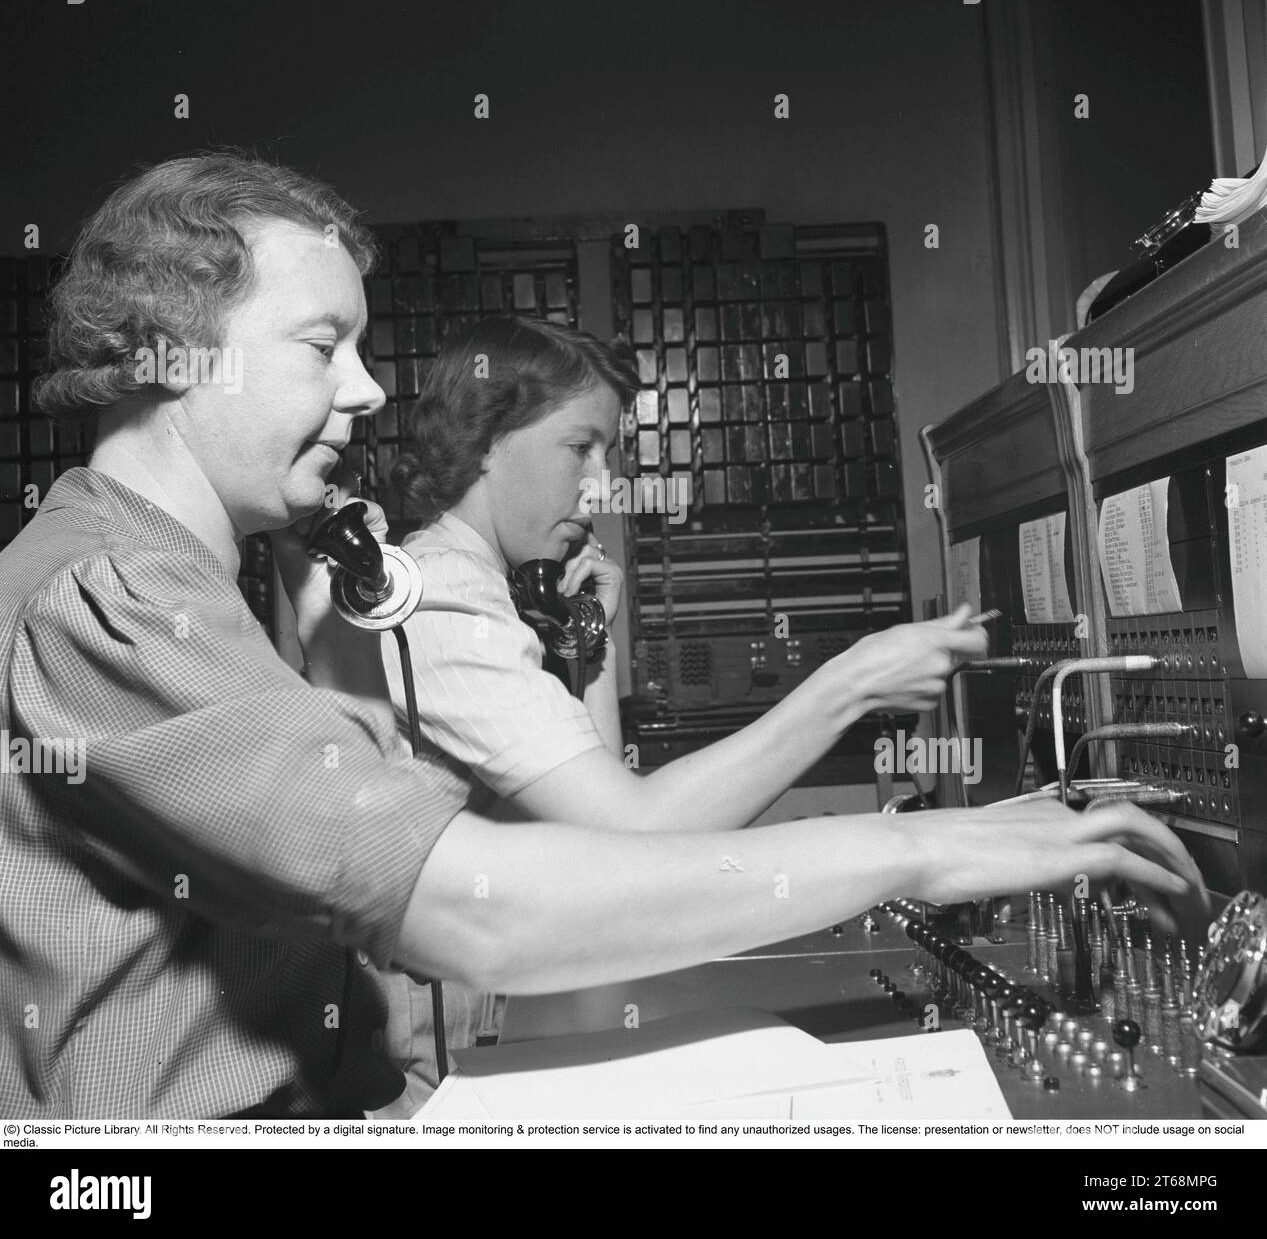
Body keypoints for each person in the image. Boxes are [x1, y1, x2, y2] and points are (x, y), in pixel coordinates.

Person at [0, 150, 1208, 1121]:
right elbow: (477, 908)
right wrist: (922, 855)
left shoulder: (167, 576)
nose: (366, 390)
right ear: (172, 347)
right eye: (324, 347)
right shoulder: (107, 595)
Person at [378, 316, 1211, 1098]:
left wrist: (589, 637)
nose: (602, 490)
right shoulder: (443, 596)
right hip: (423, 1090)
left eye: (611, 457)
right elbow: (630, 838)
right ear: (487, 442)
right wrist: (848, 683)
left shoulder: (479, 586)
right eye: (580, 449)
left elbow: (596, 837)